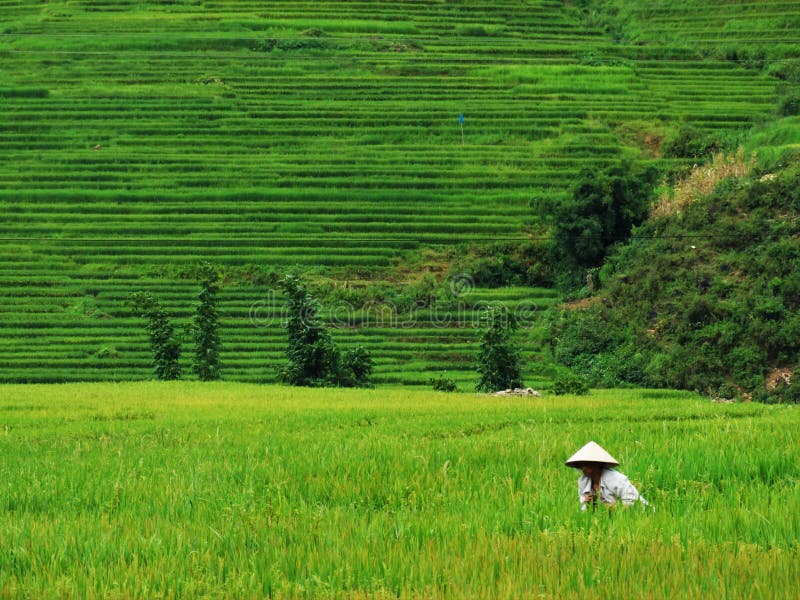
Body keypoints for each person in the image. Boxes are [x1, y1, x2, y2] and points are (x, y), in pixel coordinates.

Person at [565, 441, 650, 511]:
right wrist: (588, 504)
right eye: (581, 465)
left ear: (597, 464)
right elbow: (584, 510)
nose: (583, 468)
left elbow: (632, 505)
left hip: (641, 512)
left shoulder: (616, 479)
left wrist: (608, 507)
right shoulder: (583, 482)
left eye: (587, 464)